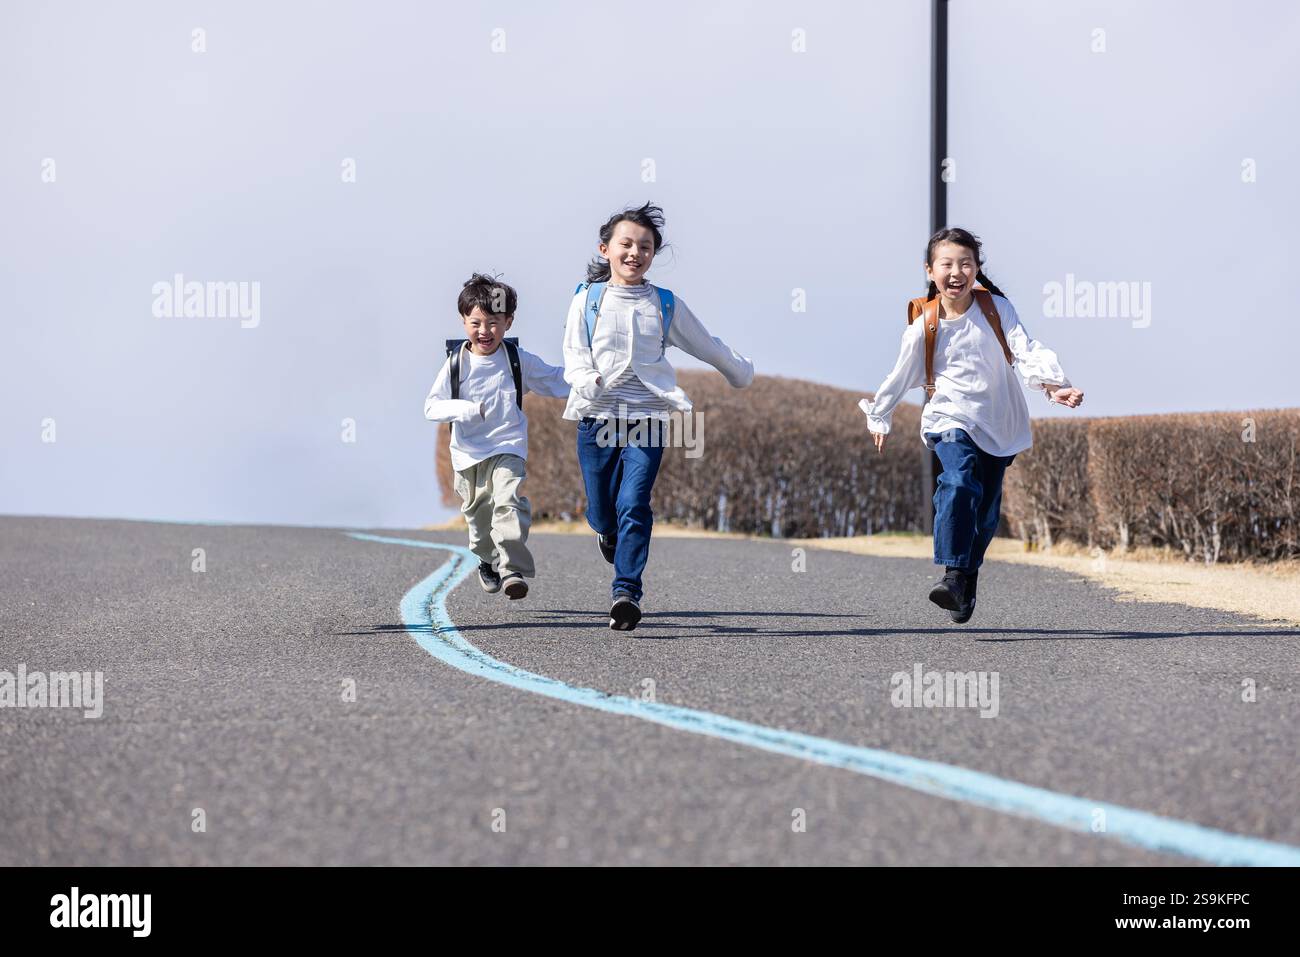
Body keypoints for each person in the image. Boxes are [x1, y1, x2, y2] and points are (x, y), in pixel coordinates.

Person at [862, 228, 1084, 623]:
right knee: (959, 480)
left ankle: (965, 581)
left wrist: (1055, 386)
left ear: (977, 269)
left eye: (965, 263)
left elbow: (1025, 350)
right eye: (946, 264)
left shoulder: (996, 308)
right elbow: (898, 376)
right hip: (949, 416)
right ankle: (951, 574)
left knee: (984, 512)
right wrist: (880, 414)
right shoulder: (924, 324)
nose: (956, 271)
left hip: (999, 420)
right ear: (930, 271)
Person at [562, 203, 754, 631]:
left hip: (646, 419)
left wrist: (737, 370)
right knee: (602, 510)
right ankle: (605, 532)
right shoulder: (587, 300)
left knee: (634, 502)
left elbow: (705, 343)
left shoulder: (663, 304)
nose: (635, 253)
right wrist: (586, 378)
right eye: (626, 244)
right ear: (605, 249)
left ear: (653, 254)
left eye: (644, 247)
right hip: (597, 417)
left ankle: (625, 591)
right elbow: (573, 352)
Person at [424, 273, 570, 598]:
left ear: (508, 322)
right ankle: (487, 560)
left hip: (508, 447)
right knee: (479, 523)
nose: (485, 331)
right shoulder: (455, 365)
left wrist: (592, 383)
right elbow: (432, 408)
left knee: (509, 503)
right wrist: (466, 410)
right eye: (476, 322)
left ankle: (512, 568)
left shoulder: (517, 360)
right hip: (467, 454)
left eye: (494, 322)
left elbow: (556, 380)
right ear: (463, 322)